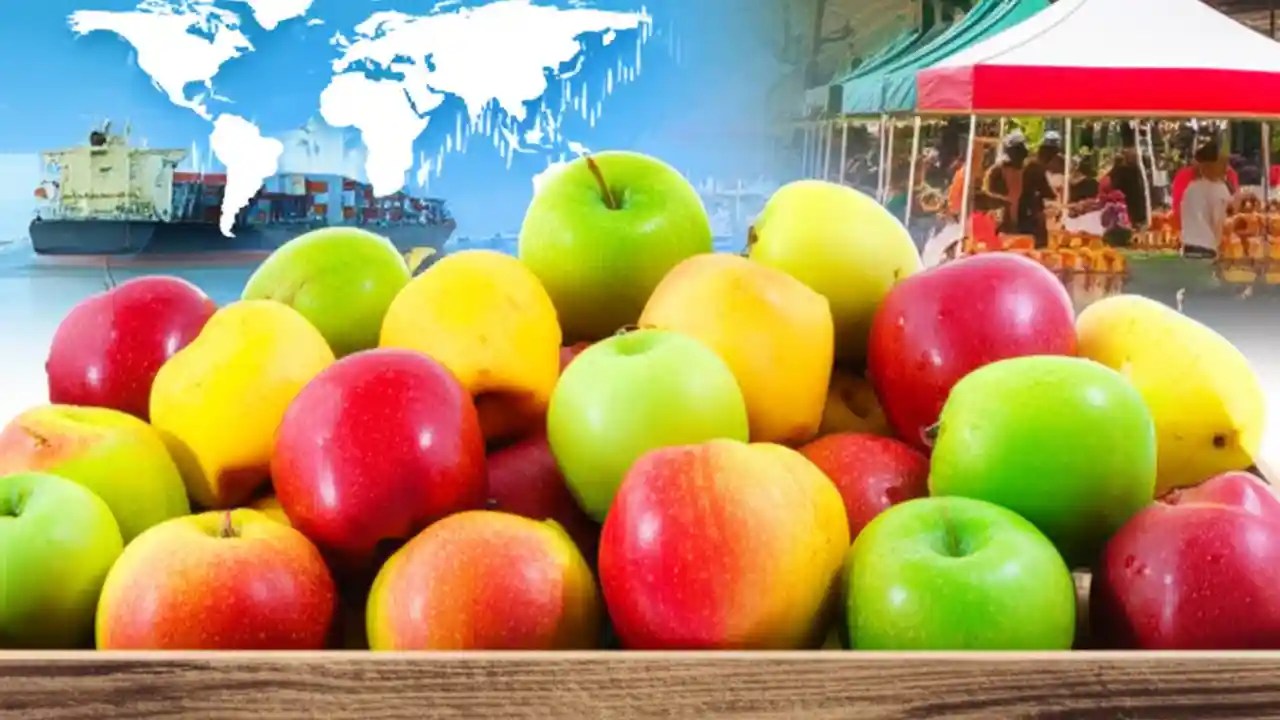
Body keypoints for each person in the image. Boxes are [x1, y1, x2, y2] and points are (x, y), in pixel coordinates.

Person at [1180, 157, 1232, 260]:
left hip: (1188, 246)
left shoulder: (1191, 187)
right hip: (1207, 247)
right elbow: (1218, 222)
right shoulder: (1220, 189)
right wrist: (1219, 248)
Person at [978, 132, 1030, 233]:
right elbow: (986, 190)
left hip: (1020, 221)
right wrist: (1004, 200)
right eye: (1017, 150)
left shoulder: (1025, 171)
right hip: (1001, 222)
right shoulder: (997, 170)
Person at [1106, 148, 1149, 228]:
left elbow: (1113, 183)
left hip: (1131, 205)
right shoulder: (1136, 171)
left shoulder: (1122, 171)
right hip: (1134, 205)